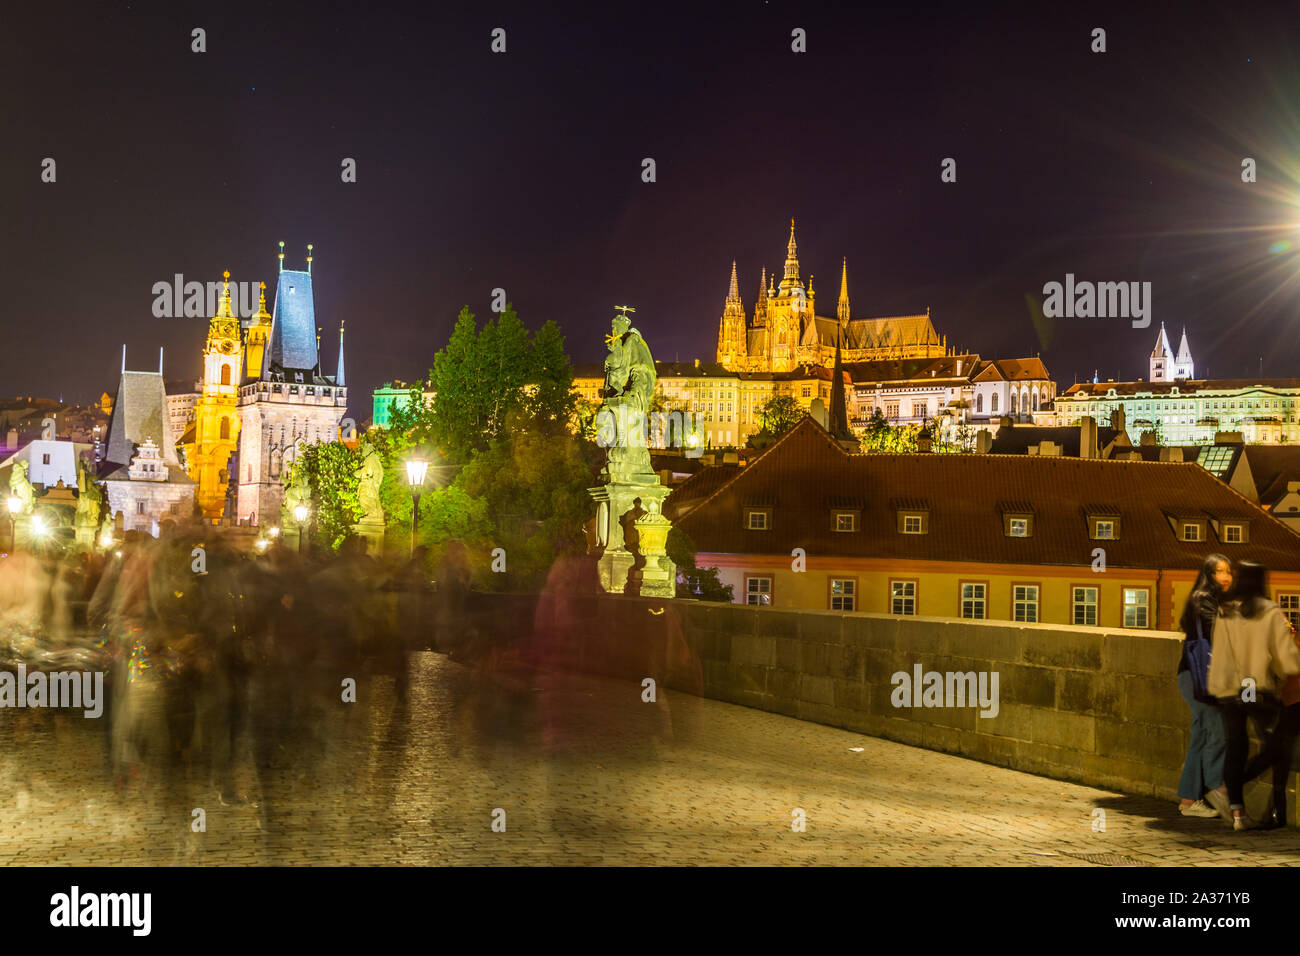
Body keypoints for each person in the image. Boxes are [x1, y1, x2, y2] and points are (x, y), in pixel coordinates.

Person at [1208, 560, 1300, 830]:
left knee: (1236, 748)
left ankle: (1237, 814)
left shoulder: (1226, 610)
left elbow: (1219, 650)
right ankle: (1227, 792)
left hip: (1227, 688)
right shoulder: (1268, 611)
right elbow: (1285, 659)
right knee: (1277, 743)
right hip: (1252, 688)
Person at [1176, 554, 1232, 821]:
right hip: (1199, 675)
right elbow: (1217, 632)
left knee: (1200, 734)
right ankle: (1215, 787)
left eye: (1228, 572)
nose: (1227, 576)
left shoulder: (1212, 599)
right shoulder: (1204, 599)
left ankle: (1189, 801)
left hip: (1192, 674)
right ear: (1209, 575)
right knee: (1218, 729)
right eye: (1220, 572)